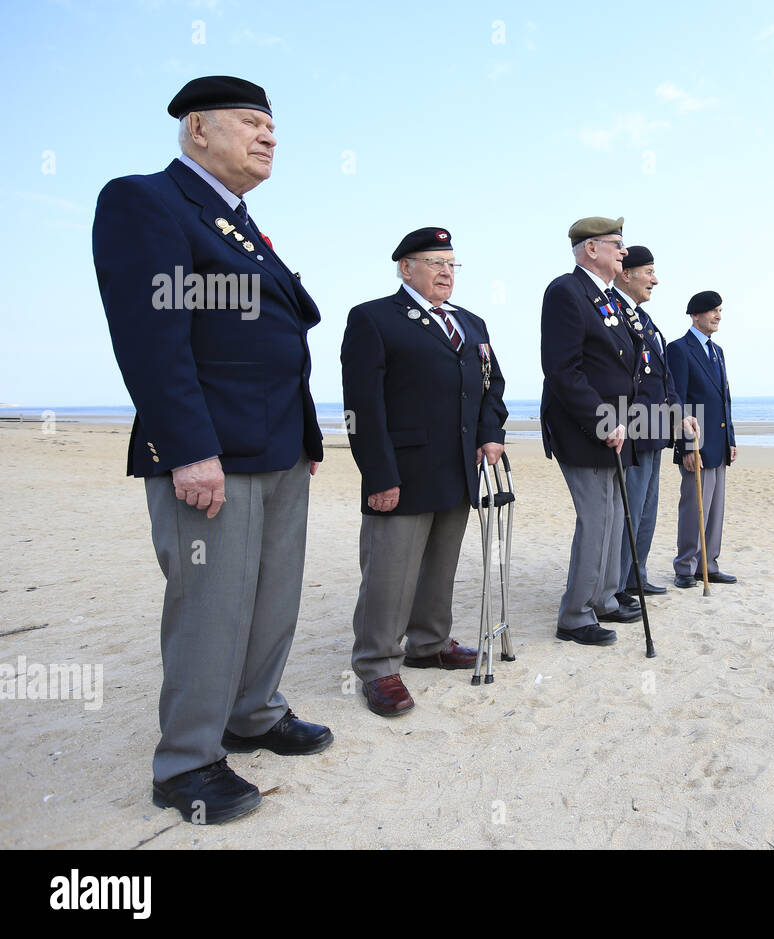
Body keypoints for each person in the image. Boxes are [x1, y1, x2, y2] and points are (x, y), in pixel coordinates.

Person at [92, 75, 332, 825]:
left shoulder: (241, 223)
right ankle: (188, 762)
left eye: (272, 126)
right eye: (250, 122)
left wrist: (309, 436)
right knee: (211, 606)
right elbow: (152, 338)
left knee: (272, 597)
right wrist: (188, 448)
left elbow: (276, 333)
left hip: (280, 444)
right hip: (213, 448)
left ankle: (253, 713)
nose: (268, 136)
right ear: (197, 130)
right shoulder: (148, 201)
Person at [341, 227, 507, 716]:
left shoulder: (471, 323)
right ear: (405, 267)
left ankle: (430, 644)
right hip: (402, 470)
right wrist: (379, 475)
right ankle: (377, 665)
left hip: (458, 467)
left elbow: (490, 386)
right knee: (389, 574)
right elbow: (362, 407)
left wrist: (490, 432)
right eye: (435, 262)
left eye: (452, 264)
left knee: (440, 566)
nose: (445, 272)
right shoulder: (374, 319)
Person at [539, 216, 642, 646]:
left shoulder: (609, 299)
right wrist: (602, 420)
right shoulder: (566, 291)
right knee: (597, 520)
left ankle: (603, 598)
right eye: (617, 244)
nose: (624, 252)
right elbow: (562, 369)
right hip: (586, 428)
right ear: (591, 249)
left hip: (616, 426)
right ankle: (575, 616)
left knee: (616, 519)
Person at [610, 246, 697, 604]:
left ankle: (636, 576)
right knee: (627, 512)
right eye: (648, 271)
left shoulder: (646, 322)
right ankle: (615, 584)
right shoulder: (612, 314)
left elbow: (666, 381)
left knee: (646, 509)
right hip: (630, 430)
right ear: (626, 274)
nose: (655, 280)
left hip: (654, 430)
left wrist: (679, 414)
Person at [666, 291, 739, 588]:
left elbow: (725, 399)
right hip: (695, 442)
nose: (718, 316)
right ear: (695, 314)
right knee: (693, 507)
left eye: (720, 310)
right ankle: (685, 567)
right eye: (713, 311)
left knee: (714, 510)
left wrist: (730, 439)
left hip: (718, 442)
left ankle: (707, 564)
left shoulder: (718, 351)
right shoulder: (678, 350)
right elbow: (677, 400)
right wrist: (684, 445)